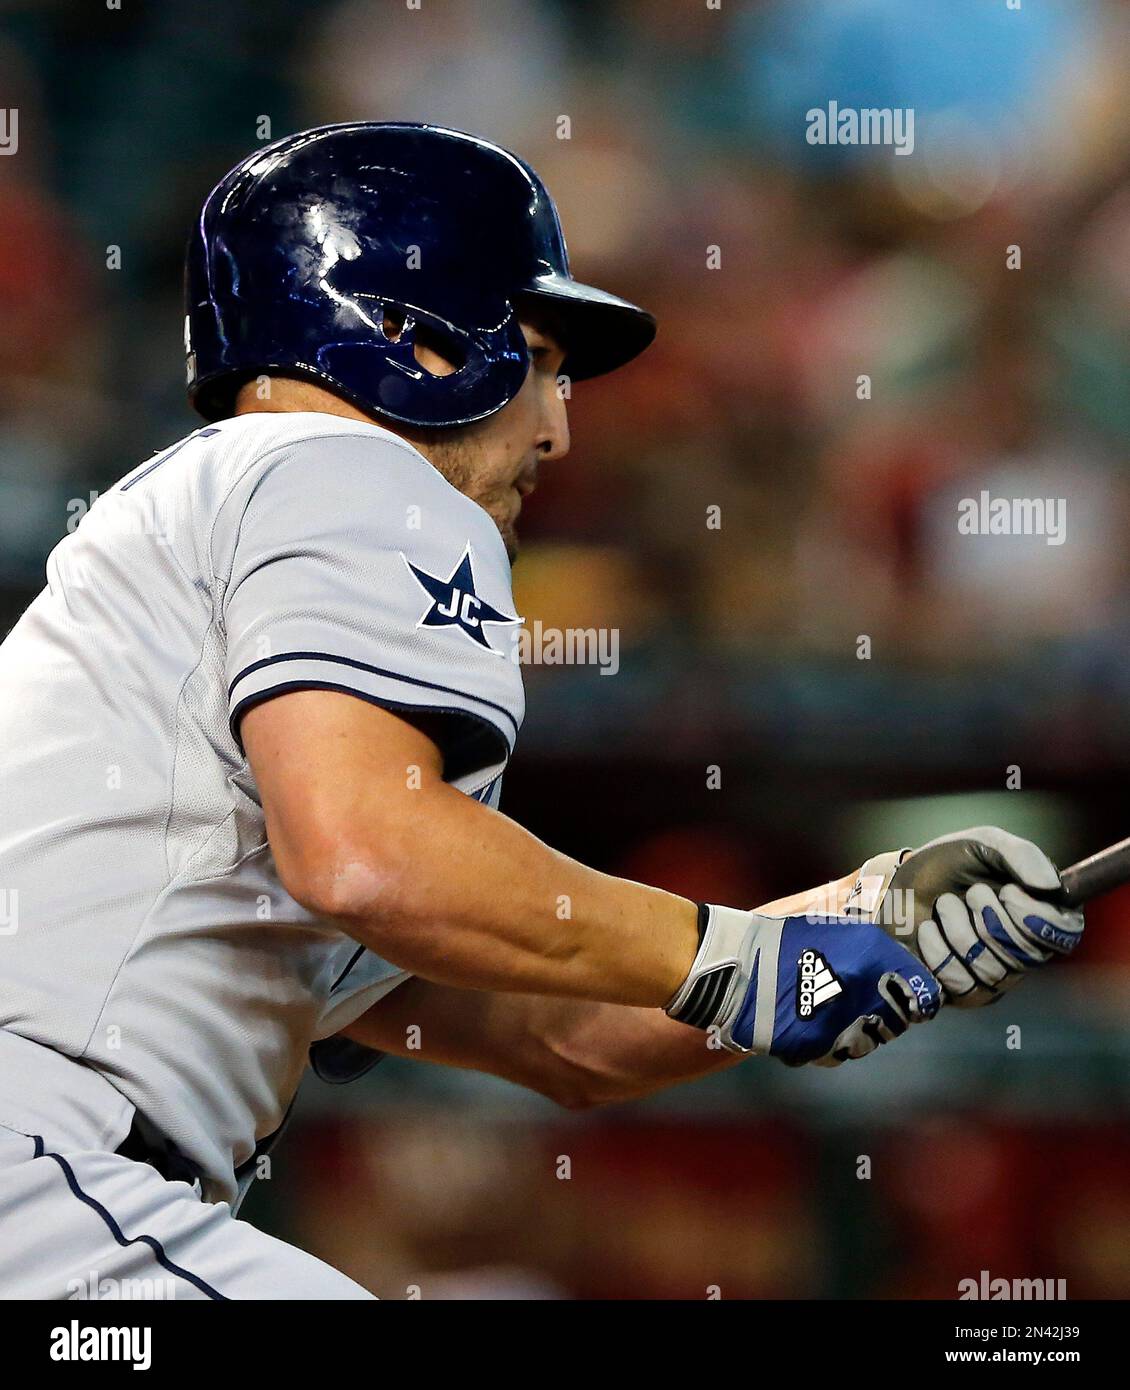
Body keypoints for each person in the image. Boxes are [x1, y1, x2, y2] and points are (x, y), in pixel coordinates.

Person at [0, 123, 1084, 1299]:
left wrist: (860, 936)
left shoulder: (219, 536)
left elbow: (556, 1039)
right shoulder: (338, 468)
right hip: (47, 1168)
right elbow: (368, 856)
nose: (558, 427)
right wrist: (734, 955)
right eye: (532, 355)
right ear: (410, 342)